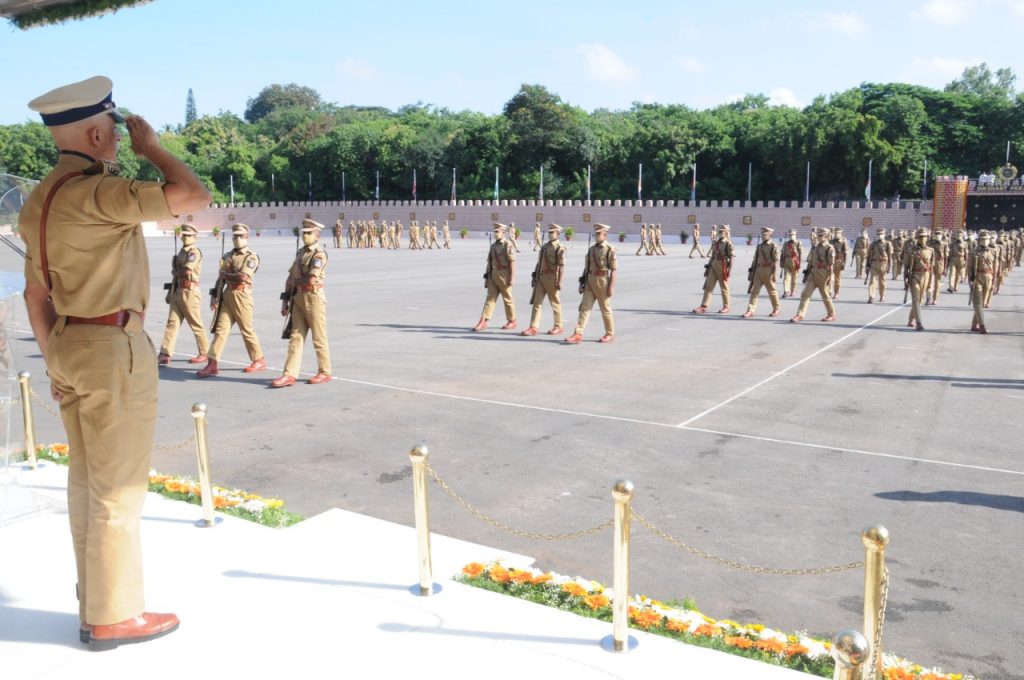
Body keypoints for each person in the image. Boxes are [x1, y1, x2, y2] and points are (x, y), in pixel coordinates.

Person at [20, 75, 210, 649]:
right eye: (118, 134)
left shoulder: (37, 202)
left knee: (86, 486)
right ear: (99, 132)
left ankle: (95, 603)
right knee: (118, 490)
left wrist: (54, 356)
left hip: (68, 343)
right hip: (110, 346)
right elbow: (194, 196)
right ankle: (113, 615)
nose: (122, 144)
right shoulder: (97, 193)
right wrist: (154, 148)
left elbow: (35, 297)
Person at [196, 223, 265, 378]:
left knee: (246, 330)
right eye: (235, 236)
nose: (237, 239)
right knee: (221, 330)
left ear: (247, 237)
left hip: (242, 296)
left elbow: (243, 277)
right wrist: (215, 294)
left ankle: (258, 359)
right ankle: (212, 363)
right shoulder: (228, 256)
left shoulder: (251, 257)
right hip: (227, 295)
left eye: (240, 236)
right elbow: (220, 278)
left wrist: (225, 275)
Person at [271, 219, 331, 386]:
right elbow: (290, 278)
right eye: (303, 232)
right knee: (295, 337)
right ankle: (289, 374)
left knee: (318, 337)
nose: (305, 235)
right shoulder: (300, 253)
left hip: (313, 298)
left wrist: (295, 282)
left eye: (309, 233)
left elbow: (310, 280)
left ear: (317, 235)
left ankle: (324, 371)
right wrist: (285, 299)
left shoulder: (319, 254)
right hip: (298, 298)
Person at [157, 223, 209, 365]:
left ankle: (204, 352)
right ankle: (165, 353)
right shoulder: (181, 252)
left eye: (188, 236)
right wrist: (170, 292)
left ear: (195, 237)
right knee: (172, 323)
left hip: (190, 292)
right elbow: (176, 275)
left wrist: (175, 272)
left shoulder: (194, 252)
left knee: (195, 323)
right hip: (178, 290)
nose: (185, 238)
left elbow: (186, 270)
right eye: (184, 235)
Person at [565, 224, 617, 343]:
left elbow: (614, 270)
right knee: (585, 308)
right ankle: (578, 333)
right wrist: (582, 282)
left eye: (599, 234)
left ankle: (609, 333)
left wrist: (611, 287)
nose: (596, 236)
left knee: (605, 309)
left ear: (605, 234)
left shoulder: (609, 249)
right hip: (590, 281)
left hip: (602, 281)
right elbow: (587, 267)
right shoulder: (592, 249)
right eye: (596, 234)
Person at [521, 224, 566, 336]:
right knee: (537, 302)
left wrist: (559, 282)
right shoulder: (545, 247)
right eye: (549, 232)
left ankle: (558, 326)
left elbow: (561, 266)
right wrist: (534, 276)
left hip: (552, 278)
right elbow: (539, 262)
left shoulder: (559, 248)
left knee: (555, 303)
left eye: (553, 232)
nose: (550, 234)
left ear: (558, 234)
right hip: (541, 277)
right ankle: (533, 327)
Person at [472, 223, 517, 331]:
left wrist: (512, 278)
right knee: (490, 298)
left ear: (503, 233)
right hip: (494, 275)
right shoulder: (493, 246)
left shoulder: (508, 245)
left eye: (498, 231)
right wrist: (487, 278)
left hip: (504, 275)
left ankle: (512, 320)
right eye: (495, 231)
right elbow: (489, 263)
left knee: (508, 299)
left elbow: (512, 262)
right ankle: (483, 321)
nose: (495, 233)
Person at [790, 228, 836, 322]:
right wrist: (807, 273)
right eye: (818, 235)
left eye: (820, 236)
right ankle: (800, 314)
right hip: (813, 273)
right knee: (805, 294)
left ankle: (831, 314)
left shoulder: (829, 248)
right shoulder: (815, 247)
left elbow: (831, 266)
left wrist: (830, 279)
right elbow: (811, 262)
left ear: (826, 236)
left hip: (823, 274)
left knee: (825, 296)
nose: (818, 237)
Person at [693, 225, 733, 314]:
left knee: (724, 288)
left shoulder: (728, 243)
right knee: (708, 286)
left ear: (726, 232)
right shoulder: (716, 243)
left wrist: (729, 270)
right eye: (720, 231)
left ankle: (726, 306)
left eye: (722, 231)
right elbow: (713, 256)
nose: (720, 233)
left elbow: (732, 257)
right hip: (714, 266)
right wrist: (707, 268)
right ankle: (704, 305)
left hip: (722, 266)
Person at [741, 227, 780, 317]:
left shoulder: (773, 246)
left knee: (772, 291)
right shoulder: (759, 246)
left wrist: (774, 274)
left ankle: (776, 308)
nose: (763, 236)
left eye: (765, 234)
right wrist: (751, 271)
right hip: (758, 271)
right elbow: (755, 260)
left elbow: (775, 261)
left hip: (768, 271)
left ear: (770, 235)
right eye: (762, 234)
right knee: (754, 291)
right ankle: (750, 310)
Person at [903, 227, 934, 331]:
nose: (922, 239)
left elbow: (931, 268)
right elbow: (906, 267)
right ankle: (919, 322)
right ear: (917, 237)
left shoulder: (930, 251)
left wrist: (930, 282)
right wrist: (905, 280)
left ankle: (911, 319)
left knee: (919, 300)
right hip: (914, 276)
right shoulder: (911, 250)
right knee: (916, 299)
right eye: (920, 237)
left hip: (925, 276)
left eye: (924, 236)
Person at [969, 231, 997, 334]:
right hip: (978, 277)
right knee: (979, 302)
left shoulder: (993, 251)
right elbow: (970, 268)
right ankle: (982, 325)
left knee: (983, 303)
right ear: (979, 240)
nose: (985, 241)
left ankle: (973, 325)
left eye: (986, 239)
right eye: (983, 239)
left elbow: (995, 267)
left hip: (989, 276)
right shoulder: (974, 252)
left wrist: (994, 282)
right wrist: (970, 280)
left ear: (989, 240)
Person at [866, 228, 892, 303]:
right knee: (872, 281)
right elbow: (868, 255)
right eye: (878, 234)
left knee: (882, 281)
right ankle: (871, 296)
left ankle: (882, 295)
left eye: (881, 234)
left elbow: (889, 256)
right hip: (874, 263)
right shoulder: (873, 244)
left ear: (884, 234)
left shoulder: (887, 244)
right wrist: (867, 266)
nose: (880, 235)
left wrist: (889, 266)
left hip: (883, 264)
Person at [926, 228, 948, 305]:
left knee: (937, 282)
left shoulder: (944, 244)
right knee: (929, 281)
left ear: (941, 235)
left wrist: (945, 268)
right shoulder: (929, 243)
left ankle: (935, 298)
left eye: (939, 234)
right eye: (936, 234)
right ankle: (928, 298)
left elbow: (946, 257)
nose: (937, 235)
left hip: (939, 263)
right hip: (931, 263)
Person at [779, 228, 803, 298]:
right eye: (790, 234)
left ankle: (793, 290)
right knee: (786, 277)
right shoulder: (786, 243)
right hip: (787, 261)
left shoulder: (798, 243)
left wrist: (799, 264)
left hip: (795, 261)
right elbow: (782, 253)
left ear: (795, 235)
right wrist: (781, 262)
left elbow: (800, 254)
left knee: (794, 278)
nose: (791, 236)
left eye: (793, 234)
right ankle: (786, 291)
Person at [829, 227, 847, 299]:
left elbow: (845, 253)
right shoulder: (831, 241)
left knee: (837, 279)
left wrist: (844, 263)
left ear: (841, 233)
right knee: (829, 277)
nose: (837, 235)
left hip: (839, 261)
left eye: (838, 233)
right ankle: (829, 290)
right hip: (831, 261)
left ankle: (836, 293)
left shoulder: (843, 241)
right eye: (836, 233)